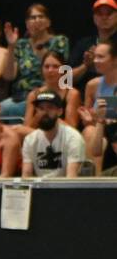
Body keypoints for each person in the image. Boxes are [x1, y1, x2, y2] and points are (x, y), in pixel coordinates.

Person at [1, 3, 70, 120]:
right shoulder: (21, 44)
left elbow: (64, 74)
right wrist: (11, 46)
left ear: (48, 22)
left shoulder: (59, 41)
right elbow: (8, 76)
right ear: (27, 24)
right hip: (20, 97)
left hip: (47, 96)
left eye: (41, 16)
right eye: (32, 18)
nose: (36, 20)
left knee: (1, 110)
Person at [22, 91, 85, 178]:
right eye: (41, 108)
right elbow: (26, 175)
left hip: (65, 188)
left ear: (60, 112)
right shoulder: (30, 139)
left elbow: (71, 177)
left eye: (50, 108)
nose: (45, 112)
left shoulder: (73, 137)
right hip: (40, 189)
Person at [80, 40, 117, 174]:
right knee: (89, 130)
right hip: (99, 134)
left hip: (114, 134)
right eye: (95, 56)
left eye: (101, 57)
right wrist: (88, 119)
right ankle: (93, 182)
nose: (95, 60)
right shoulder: (92, 85)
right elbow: (88, 119)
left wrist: (101, 118)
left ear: (115, 60)